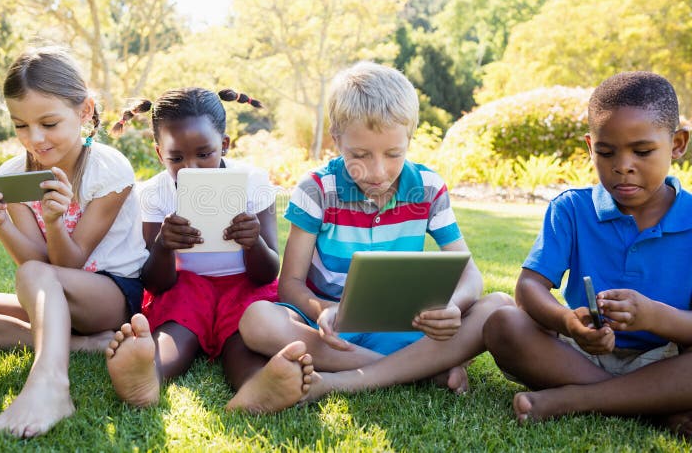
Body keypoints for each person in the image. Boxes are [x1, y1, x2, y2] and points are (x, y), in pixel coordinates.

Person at [236, 61, 513, 406]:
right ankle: (422, 370)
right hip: (334, 333)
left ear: (409, 138)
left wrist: (453, 308)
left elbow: (469, 273)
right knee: (257, 319)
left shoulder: (428, 188)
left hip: (405, 328)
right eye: (360, 154)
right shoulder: (317, 189)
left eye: (394, 154)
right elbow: (290, 283)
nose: (377, 171)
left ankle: (346, 380)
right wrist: (324, 309)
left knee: (499, 306)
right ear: (337, 140)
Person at [0, 46, 149, 438]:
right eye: (21, 125)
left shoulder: (108, 170)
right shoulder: (13, 175)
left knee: (36, 274)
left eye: (48, 122)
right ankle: (82, 345)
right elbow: (33, 260)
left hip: (110, 295)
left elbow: (68, 264)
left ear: (85, 111)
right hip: (50, 293)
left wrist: (56, 222)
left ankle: (51, 383)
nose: (35, 138)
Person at [482, 71, 692, 435]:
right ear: (590, 147)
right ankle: (652, 406)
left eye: (642, 152)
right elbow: (528, 288)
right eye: (606, 152)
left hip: (666, 359)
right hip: (578, 356)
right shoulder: (572, 209)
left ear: (677, 144)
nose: (622, 166)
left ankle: (574, 401)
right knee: (503, 323)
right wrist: (568, 323)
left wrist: (654, 316)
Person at [104, 87, 314, 414]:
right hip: (185, 286)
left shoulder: (253, 182)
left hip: (245, 286)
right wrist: (163, 246)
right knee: (178, 329)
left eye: (204, 154)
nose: (192, 167)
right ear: (160, 154)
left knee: (242, 336)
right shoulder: (155, 193)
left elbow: (268, 272)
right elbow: (154, 283)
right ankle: (148, 373)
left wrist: (253, 242)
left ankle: (256, 385)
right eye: (176, 158)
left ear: (224, 145)